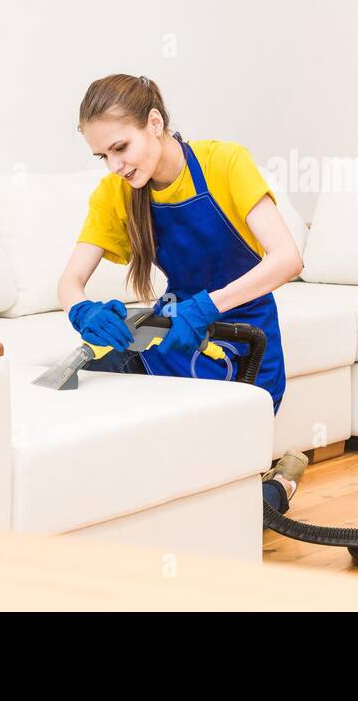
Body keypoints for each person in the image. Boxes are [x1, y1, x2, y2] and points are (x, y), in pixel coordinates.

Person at [57, 74, 307, 510]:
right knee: (86, 377)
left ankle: (278, 483)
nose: (115, 165)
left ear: (155, 123)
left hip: (243, 337)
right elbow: (69, 282)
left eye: (121, 148)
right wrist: (82, 310)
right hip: (175, 327)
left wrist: (208, 306)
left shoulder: (223, 163)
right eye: (103, 155)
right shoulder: (115, 193)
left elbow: (287, 258)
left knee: (225, 506)